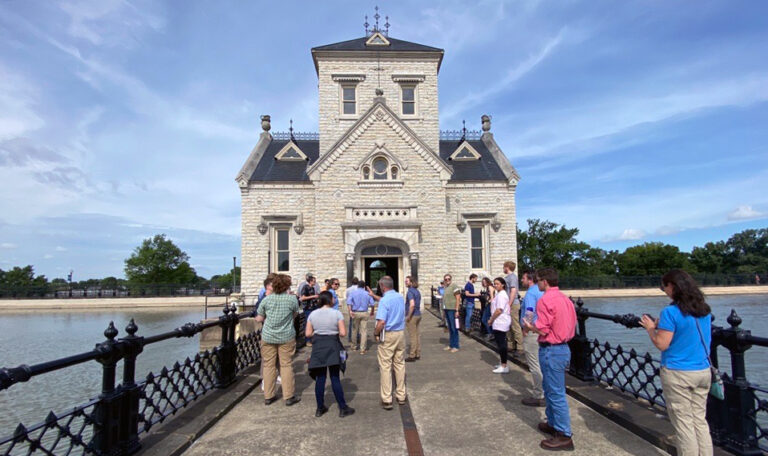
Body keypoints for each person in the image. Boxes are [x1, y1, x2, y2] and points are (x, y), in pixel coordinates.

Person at [639, 269, 713, 456]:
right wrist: (661, 325)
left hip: (678, 372)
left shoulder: (670, 312)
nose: (664, 290)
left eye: (664, 286)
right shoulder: (703, 309)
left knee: (684, 424)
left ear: (673, 286)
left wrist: (650, 329)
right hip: (703, 371)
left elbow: (662, 344)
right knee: (699, 421)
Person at [522, 267, 576, 451]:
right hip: (563, 348)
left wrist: (530, 326)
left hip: (551, 349)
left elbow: (543, 328)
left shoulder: (545, 300)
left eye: (538, 280)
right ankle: (553, 423)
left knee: (555, 392)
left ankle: (564, 434)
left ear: (544, 281)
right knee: (552, 389)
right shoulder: (565, 299)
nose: (537, 284)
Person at [306, 291, 355, 418]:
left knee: (320, 378)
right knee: (335, 377)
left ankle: (319, 407)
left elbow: (307, 333)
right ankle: (342, 407)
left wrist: (319, 332)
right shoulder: (336, 313)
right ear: (329, 300)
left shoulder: (313, 314)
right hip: (333, 344)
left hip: (318, 346)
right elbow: (343, 333)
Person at [255, 273, 301, 406]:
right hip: (286, 336)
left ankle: (269, 396)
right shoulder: (291, 300)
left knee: (268, 365)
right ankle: (289, 396)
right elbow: (295, 314)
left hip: (269, 335)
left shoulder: (266, 300)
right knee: (286, 365)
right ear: (286, 286)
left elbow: (259, 317)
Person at [373, 276, 407, 409]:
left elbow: (381, 321)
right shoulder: (399, 297)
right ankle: (401, 394)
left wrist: (376, 332)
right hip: (400, 332)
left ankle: (387, 398)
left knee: (385, 365)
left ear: (382, 286)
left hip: (388, 334)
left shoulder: (384, 300)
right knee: (399, 363)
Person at [519, 270, 545, 407]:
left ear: (530, 280)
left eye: (523, 278)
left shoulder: (530, 293)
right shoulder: (542, 291)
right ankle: (546, 390)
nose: (521, 280)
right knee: (542, 363)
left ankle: (539, 394)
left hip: (532, 331)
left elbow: (529, 310)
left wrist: (526, 328)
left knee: (534, 364)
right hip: (542, 330)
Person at [488, 277, 511, 373]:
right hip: (498, 321)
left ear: (503, 285)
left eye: (497, 284)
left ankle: (504, 365)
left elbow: (499, 310)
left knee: (501, 343)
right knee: (499, 342)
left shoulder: (502, 295)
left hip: (500, 321)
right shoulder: (498, 294)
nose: (495, 285)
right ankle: (502, 362)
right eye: (494, 284)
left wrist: (491, 320)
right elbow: (493, 303)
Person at [347, 279, 375, 354]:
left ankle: (353, 346)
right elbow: (372, 304)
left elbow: (349, 303)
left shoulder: (353, 293)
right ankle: (362, 349)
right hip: (364, 312)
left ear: (358, 286)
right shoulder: (367, 293)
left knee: (354, 330)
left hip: (355, 312)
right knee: (364, 331)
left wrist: (350, 311)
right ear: (364, 286)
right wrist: (372, 311)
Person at [503, 261, 523, 353]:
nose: (503, 268)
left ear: (507, 267)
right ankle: (510, 344)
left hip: (513, 304)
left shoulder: (512, 277)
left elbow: (513, 291)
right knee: (508, 325)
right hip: (508, 304)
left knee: (515, 325)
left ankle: (520, 346)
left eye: (504, 267)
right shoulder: (507, 277)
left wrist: (509, 304)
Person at [442, 274, 462, 352]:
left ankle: (456, 345)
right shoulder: (446, 287)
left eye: (448, 279)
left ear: (451, 279)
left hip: (452, 309)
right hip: (447, 309)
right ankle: (451, 344)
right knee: (450, 328)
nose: (447, 281)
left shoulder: (454, 286)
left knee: (454, 328)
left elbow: (458, 298)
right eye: (446, 279)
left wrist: (457, 310)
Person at [404, 276, 422, 362]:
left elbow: (412, 304)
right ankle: (417, 353)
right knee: (417, 335)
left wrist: (408, 316)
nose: (405, 282)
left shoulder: (410, 292)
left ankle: (412, 355)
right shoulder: (417, 291)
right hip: (418, 314)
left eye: (407, 281)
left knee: (412, 336)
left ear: (411, 282)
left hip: (413, 316)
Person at [479, 277, 495, 341]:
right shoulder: (487, 288)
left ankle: (491, 333)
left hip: (489, 305)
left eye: (485, 282)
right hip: (487, 305)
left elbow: (492, 297)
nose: (484, 283)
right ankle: (490, 333)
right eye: (483, 282)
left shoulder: (490, 287)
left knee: (485, 319)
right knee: (485, 319)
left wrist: (490, 303)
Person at [346, 277, 360, 343]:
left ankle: (350, 337)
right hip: (359, 308)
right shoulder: (360, 289)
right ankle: (357, 337)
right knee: (358, 324)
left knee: (351, 324)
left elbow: (347, 298)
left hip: (351, 307)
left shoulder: (348, 289)